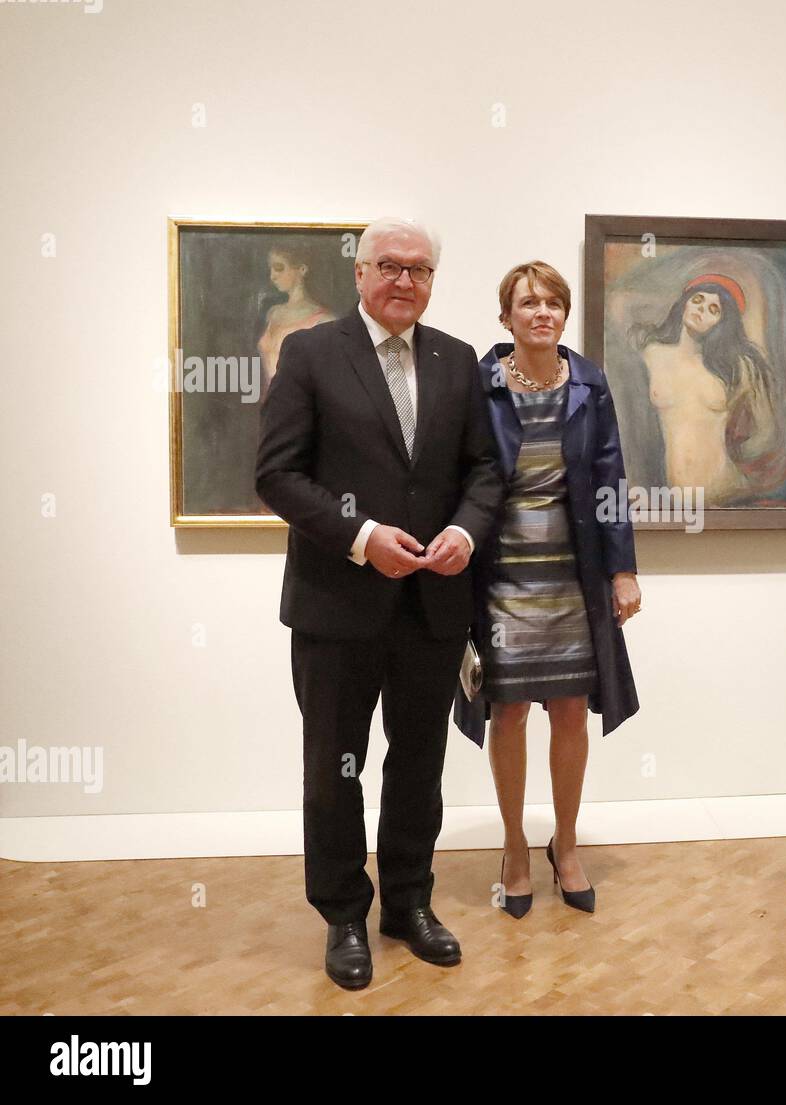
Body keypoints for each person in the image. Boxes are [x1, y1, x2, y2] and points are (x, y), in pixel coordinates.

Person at [255, 217, 505, 990]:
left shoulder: (457, 359)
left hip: (433, 605)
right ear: (359, 272)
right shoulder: (310, 352)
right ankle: (342, 915)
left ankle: (408, 903)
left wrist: (465, 530)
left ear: (433, 281)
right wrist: (362, 536)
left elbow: (485, 470)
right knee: (336, 768)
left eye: (419, 269)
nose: (404, 280)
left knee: (419, 764)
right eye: (389, 265)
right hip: (337, 606)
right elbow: (276, 473)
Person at [454, 261, 640, 919]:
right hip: (501, 575)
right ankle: (513, 847)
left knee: (569, 709)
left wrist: (623, 569)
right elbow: (460, 476)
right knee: (506, 712)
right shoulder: (479, 383)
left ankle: (566, 843)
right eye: (528, 302)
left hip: (572, 576)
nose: (542, 312)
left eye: (553, 303)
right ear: (506, 316)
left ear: (564, 314)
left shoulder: (589, 381)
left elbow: (610, 476)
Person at [632, 275, 786, 505]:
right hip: (670, 496)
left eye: (713, 309)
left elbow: (765, 434)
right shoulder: (651, 355)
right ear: (684, 303)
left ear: (722, 322)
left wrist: (736, 445)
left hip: (725, 493)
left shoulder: (737, 367)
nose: (701, 310)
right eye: (697, 300)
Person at [257, 243, 336, 388]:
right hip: (270, 400)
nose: (272, 276)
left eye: (279, 268)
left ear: (302, 269)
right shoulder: (273, 313)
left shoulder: (324, 321)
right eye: (271, 269)